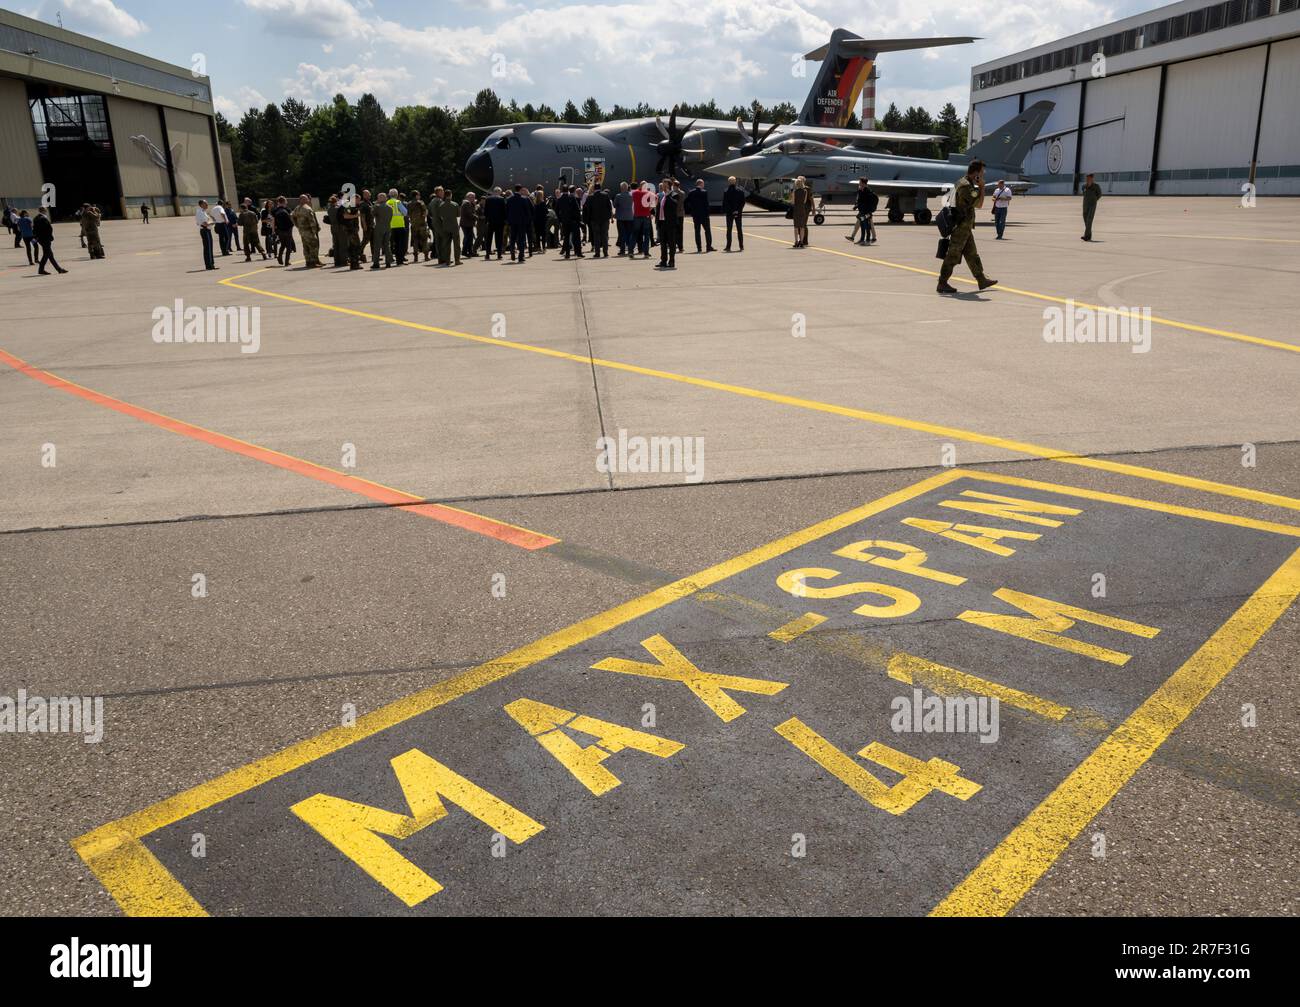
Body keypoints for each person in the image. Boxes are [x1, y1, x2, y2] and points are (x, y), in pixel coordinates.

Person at [937, 159, 997, 294]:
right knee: (953, 255)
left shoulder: (962, 181)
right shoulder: (965, 187)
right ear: (976, 173)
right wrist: (982, 187)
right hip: (961, 227)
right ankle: (942, 282)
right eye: (982, 173)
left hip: (964, 226)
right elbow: (979, 204)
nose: (983, 175)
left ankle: (981, 279)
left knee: (971, 254)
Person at [32, 207, 67, 275]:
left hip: (41, 239)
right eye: (45, 210)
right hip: (45, 239)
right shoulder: (43, 218)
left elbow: (35, 229)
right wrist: (50, 237)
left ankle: (59, 269)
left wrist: (37, 237)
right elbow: (48, 229)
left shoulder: (36, 218)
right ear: (44, 211)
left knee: (50, 254)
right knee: (47, 254)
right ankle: (41, 270)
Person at [655, 178, 681, 269]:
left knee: (671, 243)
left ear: (669, 186)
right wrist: (657, 222)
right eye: (663, 184)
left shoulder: (674, 195)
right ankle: (663, 260)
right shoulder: (661, 196)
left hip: (670, 223)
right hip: (662, 223)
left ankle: (671, 261)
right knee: (663, 243)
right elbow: (658, 209)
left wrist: (668, 195)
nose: (663, 186)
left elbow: (674, 205)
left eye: (665, 185)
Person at [291, 194, 322, 267]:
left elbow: (292, 217)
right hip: (309, 231)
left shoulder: (297, 208)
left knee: (306, 247)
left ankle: (308, 261)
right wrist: (314, 232)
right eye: (307, 199)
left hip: (302, 231)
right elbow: (312, 222)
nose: (308, 200)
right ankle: (313, 262)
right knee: (313, 246)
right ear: (304, 200)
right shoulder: (308, 209)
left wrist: (297, 225)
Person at [503, 185, 532, 263]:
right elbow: (527, 212)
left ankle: (512, 252)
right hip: (522, 222)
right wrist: (527, 221)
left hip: (512, 222)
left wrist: (508, 220)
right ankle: (521, 256)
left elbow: (506, 211)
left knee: (512, 238)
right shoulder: (524, 199)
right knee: (521, 239)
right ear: (521, 190)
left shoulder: (509, 199)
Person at [684, 178, 713, 253]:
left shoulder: (691, 192)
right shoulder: (704, 192)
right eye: (703, 184)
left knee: (697, 232)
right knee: (707, 231)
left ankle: (699, 248)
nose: (703, 185)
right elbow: (706, 204)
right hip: (704, 215)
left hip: (695, 215)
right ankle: (708, 247)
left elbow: (686, 202)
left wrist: (691, 210)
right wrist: (707, 214)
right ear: (701, 184)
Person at [556, 185, 582, 258]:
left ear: (562, 190)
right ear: (568, 190)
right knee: (576, 237)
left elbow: (556, 211)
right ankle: (578, 252)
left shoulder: (560, 199)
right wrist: (579, 220)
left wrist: (560, 219)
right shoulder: (572, 198)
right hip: (573, 221)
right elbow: (577, 210)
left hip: (565, 221)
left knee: (566, 237)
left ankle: (567, 254)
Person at [850, 178, 878, 245]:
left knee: (867, 226)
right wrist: (856, 206)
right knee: (862, 225)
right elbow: (860, 201)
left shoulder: (868, 191)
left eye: (860, 182)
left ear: (863, 183)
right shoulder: (861, 191)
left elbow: (868, 202)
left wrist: (869, 211)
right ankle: (862, 240)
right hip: (862, 212)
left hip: (867, 212)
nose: (859, 183)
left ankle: (868, 241)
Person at [631, 181, 654, 259]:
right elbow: (655, 199)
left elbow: (633, 202)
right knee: (646, 235)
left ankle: (631, 251)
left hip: (637, 215)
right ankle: (646, 252)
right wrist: (649, 209)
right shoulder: (649, 193)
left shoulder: (635, 193)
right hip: (646, 216)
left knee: (635, 234)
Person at [370, 192, 393, 269]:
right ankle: (388, 262)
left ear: (379, 198)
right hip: (388, 227)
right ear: (386, 198)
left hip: (379, 227)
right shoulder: (390, 207)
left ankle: (376, 263)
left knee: (377, 246)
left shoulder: (377, 206)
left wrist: (374, 205)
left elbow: (372, 213)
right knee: (387, 245)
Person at [437, 189, 460, 265]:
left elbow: (440, 216)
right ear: (450, 195)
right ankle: (457, 260)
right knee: (456, 244)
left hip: (445, 226)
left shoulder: (441, 205)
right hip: (454, 226)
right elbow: (458, 215)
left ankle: (447, 261)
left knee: (446, 244)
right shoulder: (455, 204)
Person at [722, 176, 745, 252]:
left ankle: (728, 246)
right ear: (735, 182)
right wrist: (738, 210)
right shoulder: (740, 191)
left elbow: (725, 203)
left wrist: (730, 211)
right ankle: (741, 246)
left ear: (729, 182)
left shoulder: (726, 191)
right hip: (738, 213)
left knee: (729, 230)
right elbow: (742, 202)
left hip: (729, 213)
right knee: (739, 229)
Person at [339, 194, 362, 270]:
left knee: (354, 246)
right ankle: (354, 264)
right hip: (350, 229)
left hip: (353, 229)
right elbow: (345, 216)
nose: (359, 201)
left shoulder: (353, 206)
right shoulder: (348, 205)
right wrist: (356, 216)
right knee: (355, 246)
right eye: (358, 200)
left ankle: (354, 264)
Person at [408, 191, 430, 262]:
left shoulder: (409, 204)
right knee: (424, 240)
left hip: (414, 225)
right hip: (422, 224)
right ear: (416, 195)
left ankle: (416, 258)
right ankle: (426, 256)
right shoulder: (421, 202)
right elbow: (425, 212)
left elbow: (407, 214)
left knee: (415, 241)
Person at [196, 199, 217, 270]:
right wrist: (213, 223)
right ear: (201, 204)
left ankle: (211, 264)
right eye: (206, 204)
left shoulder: (203, 212)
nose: (207, 205)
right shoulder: (200, 212)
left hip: (207, 230)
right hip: (204, 230)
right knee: (207, 248)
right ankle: (208, 265)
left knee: (210, 247)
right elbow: (204, 223)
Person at [791, 176, 812, 248]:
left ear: (796, 184)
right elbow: (804, 201)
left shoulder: (794, 192)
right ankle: (802, 242)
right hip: (802, 210)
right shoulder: (805, 191)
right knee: (802, 227)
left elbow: (793, 202)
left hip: (796, 210)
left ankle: (796, 241)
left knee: (796, 227)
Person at [1081, 173, 1102, 241]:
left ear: (1092, 179)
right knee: (1085, 220)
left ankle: (1086, 236)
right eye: (1087, 178)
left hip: (1092, 205)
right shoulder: (1084, 186)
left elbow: (1099, 194)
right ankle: (1088, 235)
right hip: (1085, 205)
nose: (1087, 180)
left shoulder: (1096, 186)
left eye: (1089, 178)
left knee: (1089, 220)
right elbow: (1084, 194)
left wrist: (1095, 200)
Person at [458, 191, 478, 258]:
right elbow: (469, 213)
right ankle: (465, 251)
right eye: (472, 197)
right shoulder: (466, 203)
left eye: (474, 197)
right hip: (466, 224)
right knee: (468, 238)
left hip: (467, 223)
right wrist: (477, 217)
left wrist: (473, 204)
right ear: (468, 197)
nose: (474, 198)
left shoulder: (469, 203)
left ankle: (470, 251)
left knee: (470, 238)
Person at [325, 194, 342, 266]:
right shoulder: (337, 209)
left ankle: (336, 261)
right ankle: (341, 259)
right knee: (341, 244)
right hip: (339, 227)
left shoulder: (329, 209)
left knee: (335, 244)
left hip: (333, 227)